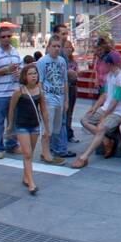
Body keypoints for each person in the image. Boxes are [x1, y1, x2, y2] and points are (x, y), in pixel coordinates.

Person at [69, 57, 121, 167]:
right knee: (84, 120)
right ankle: (106, 140)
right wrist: (94, 108)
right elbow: (104, 94)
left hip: (119, 111)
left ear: (109, 64)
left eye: (103, 65)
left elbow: (116, 100)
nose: (101, 68)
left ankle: (84, 157)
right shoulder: (109, 75)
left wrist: (104, 116)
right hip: (106, 108)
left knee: (101, 127)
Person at [6, 63, 46, 192]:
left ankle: (26, 177)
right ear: (24, 76)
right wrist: (10, 125)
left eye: (35, 73)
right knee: (27, 154)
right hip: (22, 126)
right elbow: (11, 109)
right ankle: (31, 183)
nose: (34, 76)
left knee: (30, 154)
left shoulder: (40, 91)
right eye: (30, 74)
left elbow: (44, 111)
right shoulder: (19, 91)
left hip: (35, 126)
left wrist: (47, 128)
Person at [40, 28, 77, 161]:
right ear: (49, 47)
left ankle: (55, 148)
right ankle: (46, 152)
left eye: (58, 46)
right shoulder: (42, 62)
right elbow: (40, 82)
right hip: (48, 98)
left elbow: (64, 81)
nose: (56, 49)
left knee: (57, 127)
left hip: (60, 98)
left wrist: (66, 100)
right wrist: (42, 100)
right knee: (47, 128)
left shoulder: (61, 61)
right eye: (54, 46)